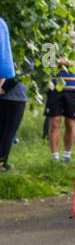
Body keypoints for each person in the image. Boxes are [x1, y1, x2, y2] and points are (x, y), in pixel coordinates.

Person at [45, 31, 75, 162]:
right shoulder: (52, 39)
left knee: (70, 123)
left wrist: (59, 60)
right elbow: (47, 62)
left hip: (74, 88)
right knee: (54, 122)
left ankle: (67, 155)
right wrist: (69, 61)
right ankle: (54, 157)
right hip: (55, 86)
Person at [0, 15, 24, 172]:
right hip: (11, 95)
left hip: (16, 94)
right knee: (7, 132)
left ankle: (2, 163)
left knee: (7, 132)